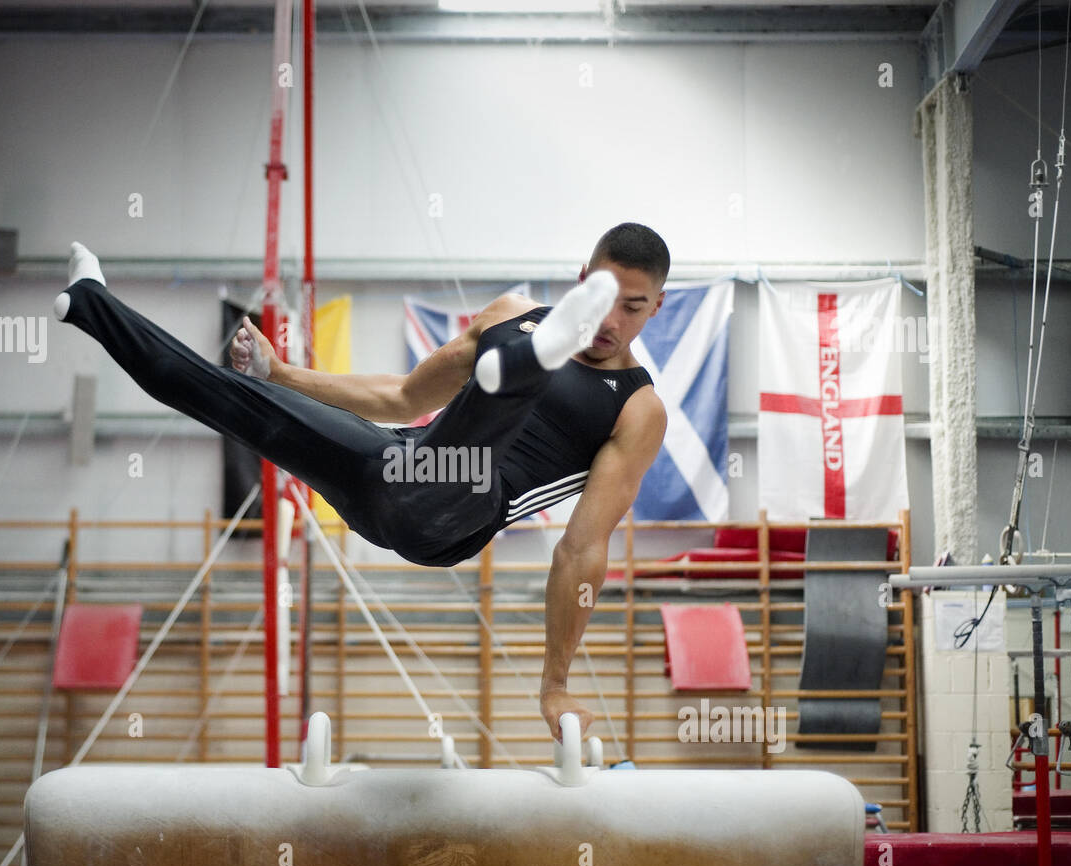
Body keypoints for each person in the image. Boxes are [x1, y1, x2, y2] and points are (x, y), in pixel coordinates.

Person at [53, 222, 669, 741]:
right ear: (580, 274)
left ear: (657, 307)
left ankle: (525, 370)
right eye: (601, 295)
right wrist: (280, 374)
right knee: (232, 398)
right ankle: (91, 304)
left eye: (632, 307)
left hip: (457, 510)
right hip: (392, 468)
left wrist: (555, 687)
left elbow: (581, 549)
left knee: (472, 448)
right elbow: (399, 397)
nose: (611, 320)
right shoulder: (508, 316)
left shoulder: (638, 411)